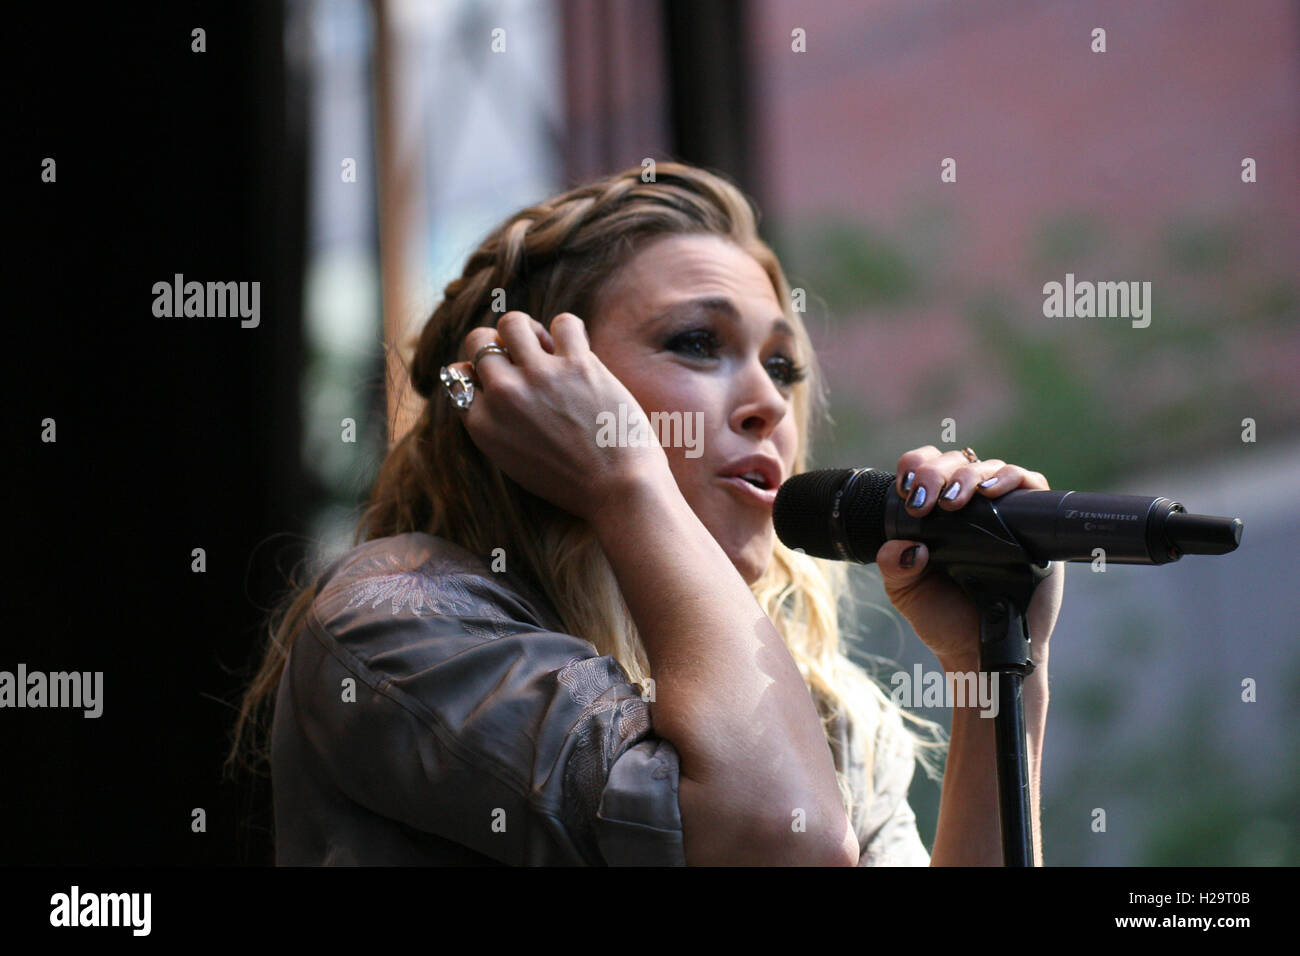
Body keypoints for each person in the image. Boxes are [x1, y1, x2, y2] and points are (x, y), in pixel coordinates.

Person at [226, 161, 1064, 866]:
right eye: (697, 342)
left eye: (783, 366)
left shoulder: (826, 716)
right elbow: (772, 835)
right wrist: (626, 474)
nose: (767, 403)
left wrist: (997, 664)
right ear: (538, 385)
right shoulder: (403, 617)